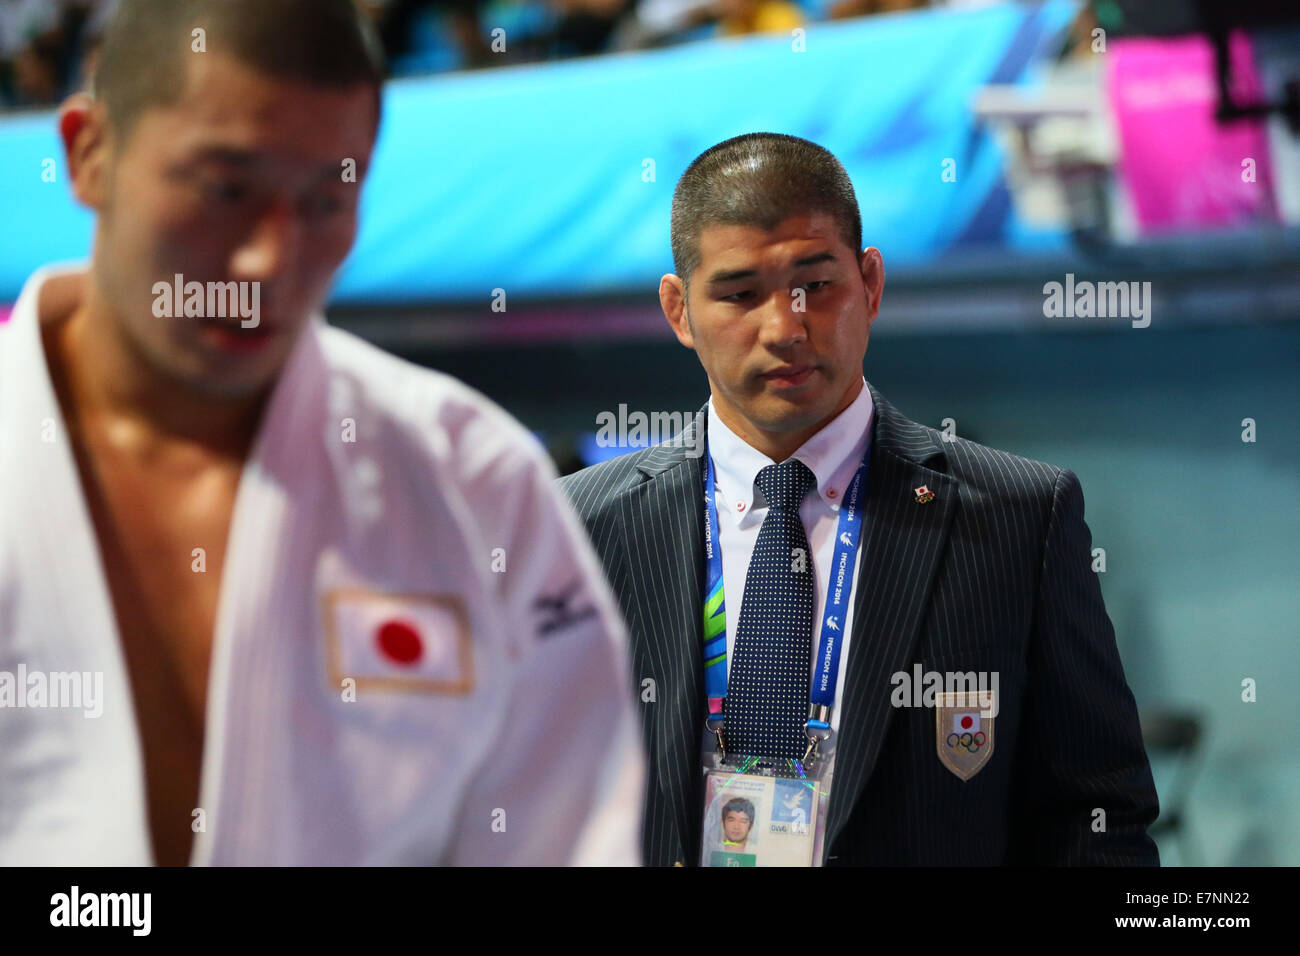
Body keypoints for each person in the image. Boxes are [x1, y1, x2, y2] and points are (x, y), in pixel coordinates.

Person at [0, 0, 644, 866]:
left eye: (328, 199)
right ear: (88, 152)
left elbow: (567, 842)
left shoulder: (475, 481)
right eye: (226, 188)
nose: (271, 258)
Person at [558, 132, 1161, 866]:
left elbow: (1096, 819)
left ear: (870, 284)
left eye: (816, 284)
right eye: (741, 294)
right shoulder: (579, 530)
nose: (785, 327)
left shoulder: (1019, 518)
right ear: (679, 310)